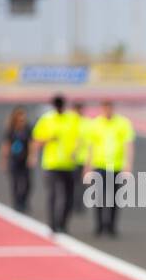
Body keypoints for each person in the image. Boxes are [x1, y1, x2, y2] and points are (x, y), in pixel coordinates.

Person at [28, 95, 82, 234]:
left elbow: (81, 137)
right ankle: (52, 224)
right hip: (51, 164)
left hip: (69, 164)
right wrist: (34, 155)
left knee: (69, 196)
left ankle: (63, 223)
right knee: (53, 195)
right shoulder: (47, 119)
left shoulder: (72, 119)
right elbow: (36, 140)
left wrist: (77, 150)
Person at [84, 99, 135, 237]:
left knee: (114, 198)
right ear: (102, 108)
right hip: (99, 165)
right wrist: (87, 168)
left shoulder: (122, 123)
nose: (108, 111)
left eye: (110, 108)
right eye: (105, 108)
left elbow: (128, 145)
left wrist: (128, 165)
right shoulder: (95, 124)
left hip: (116, 166)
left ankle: (111, 226)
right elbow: (90, 147)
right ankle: (99, 226)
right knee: (99, 197)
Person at [0, 107, 32, 213]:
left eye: (23, 115)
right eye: (20, 115)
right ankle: (17, 203)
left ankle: (23, 201)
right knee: (15, 182)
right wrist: (3, 160)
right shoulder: (11, 129)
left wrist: (31, 156)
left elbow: (31, 143)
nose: (22, 118)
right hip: (14, 159)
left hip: (25, 159)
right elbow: (6, 145)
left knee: (27, 183)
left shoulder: (27, 128)